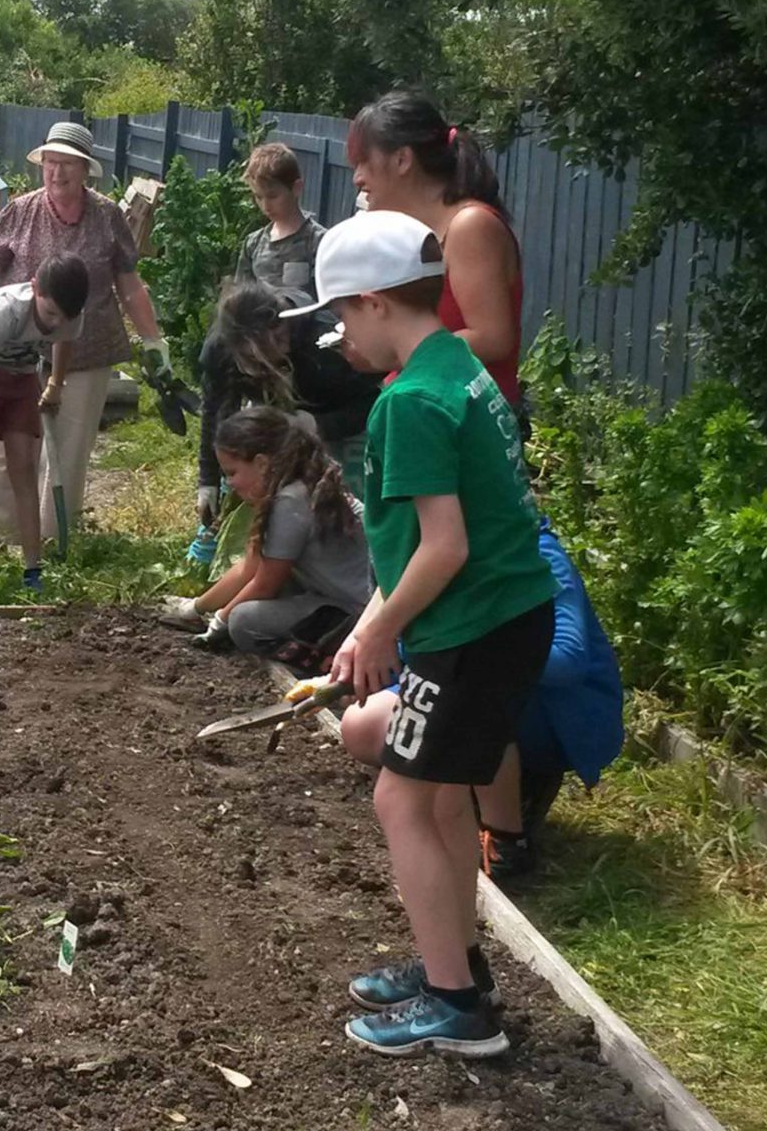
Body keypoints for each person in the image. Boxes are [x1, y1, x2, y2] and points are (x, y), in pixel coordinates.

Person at [288, 209, 554, 1059]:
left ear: (373, 302)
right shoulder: (459, 366)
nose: (336, 336)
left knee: (399, 796)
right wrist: (371, 624)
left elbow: (445, 547)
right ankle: (457, 967)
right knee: (436, 796)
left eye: (339, 316)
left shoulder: (409, 401)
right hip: (500, 617)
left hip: (471, 626)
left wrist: (381, 631)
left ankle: (457, 1009)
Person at [0, 122, 176, 540]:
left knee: (68, 453)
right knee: (11, 452)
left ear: (85, 170)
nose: (57, 173)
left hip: (86, 350)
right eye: (50, 163)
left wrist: (153, 340)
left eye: (67, 164)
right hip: (16, 352)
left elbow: (130, 285)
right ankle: (5, 541)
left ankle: (57, 543)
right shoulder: (21, 210)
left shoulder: (107, 215)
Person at [346, 91, 525, 412]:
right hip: (429, 414)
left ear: (402, 160)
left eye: (363, 162)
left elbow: (494, 338)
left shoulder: (470, 226)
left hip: (467, 427)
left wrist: (399, 348)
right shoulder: (416, 233)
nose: (357, 178)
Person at [472, 524, 625, 880]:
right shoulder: (438, 549)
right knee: (364, 727)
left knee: (474, 696)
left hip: (561, 712)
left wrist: (474, 651)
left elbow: (568, 658)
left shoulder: (539, 553)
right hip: (505, 696)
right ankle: (469, 800)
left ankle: (508, 839)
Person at [190, 282, 379, 564]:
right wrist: (208, 479)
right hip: (280, 420)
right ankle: (262, 556)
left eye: (281, 337)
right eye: (268, 347)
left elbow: (373, 401)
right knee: (262, 485)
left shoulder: (325, 338)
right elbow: (217, 414)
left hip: (343, 417)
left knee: (350, 499)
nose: (284, 346)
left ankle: (364, 562)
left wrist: (319, 424)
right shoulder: (220, 350)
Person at [171, 407, 372, 670]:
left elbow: (265, 583)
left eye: (232, 473)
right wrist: (195, 609)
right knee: (249, 609)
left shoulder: (290, 500)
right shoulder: (298, 481)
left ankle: (323, 660)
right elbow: (249, 566)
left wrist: (220, 621)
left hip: (357, 610)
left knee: (243, 622)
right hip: (339, 599)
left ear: (262, 464)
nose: (229, 483)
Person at [0, 256, 90, 590]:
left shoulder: (70, 314)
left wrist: (55, 385)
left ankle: (32, 569)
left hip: (21, 375)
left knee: (24, 468)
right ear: (36, 288)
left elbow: (64, 344)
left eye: (64, 317)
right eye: (50, 313)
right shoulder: (7, 309)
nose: (55, 323)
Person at [234, 140, 326, 296]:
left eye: (273, 196)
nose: (265, 205)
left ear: (296, 188)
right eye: (258, 197)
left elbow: (330, 306)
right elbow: (240, 301)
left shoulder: (320, 242)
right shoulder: (253, 244)